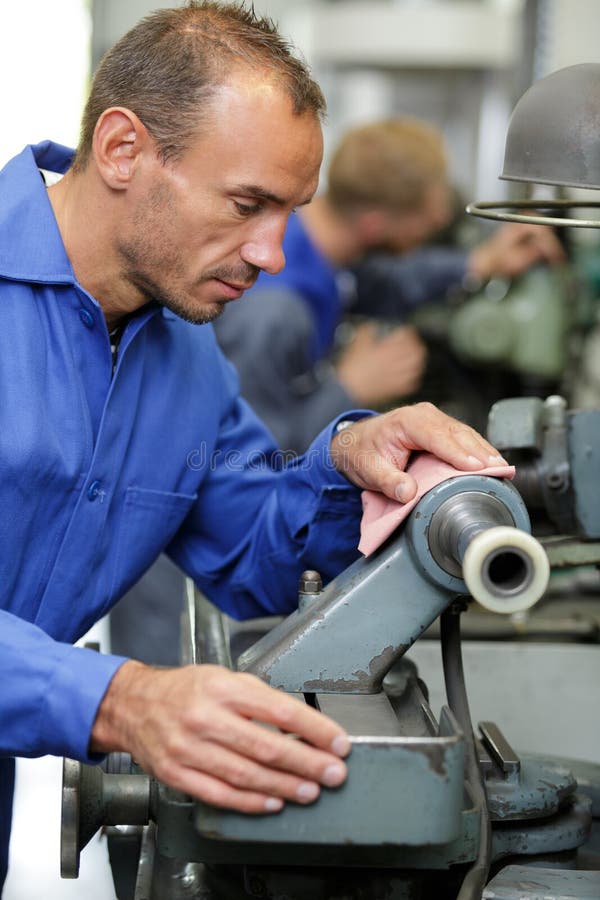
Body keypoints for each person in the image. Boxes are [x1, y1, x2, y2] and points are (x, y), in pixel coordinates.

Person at [0, 2, 509, 889]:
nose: (274, 254)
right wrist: (121, 699)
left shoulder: (185, 354)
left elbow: (258, 559)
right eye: (247, 205)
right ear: (121, 150)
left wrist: (352, 464)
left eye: (290, 212)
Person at [212, 117, 566, 453]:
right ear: (374, 225)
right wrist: (351, 387)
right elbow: (252, 459)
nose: (441, 217)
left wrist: (481, 262)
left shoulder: (325, 253)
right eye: (428, 222)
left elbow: (390, 281)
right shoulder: (271, 310)